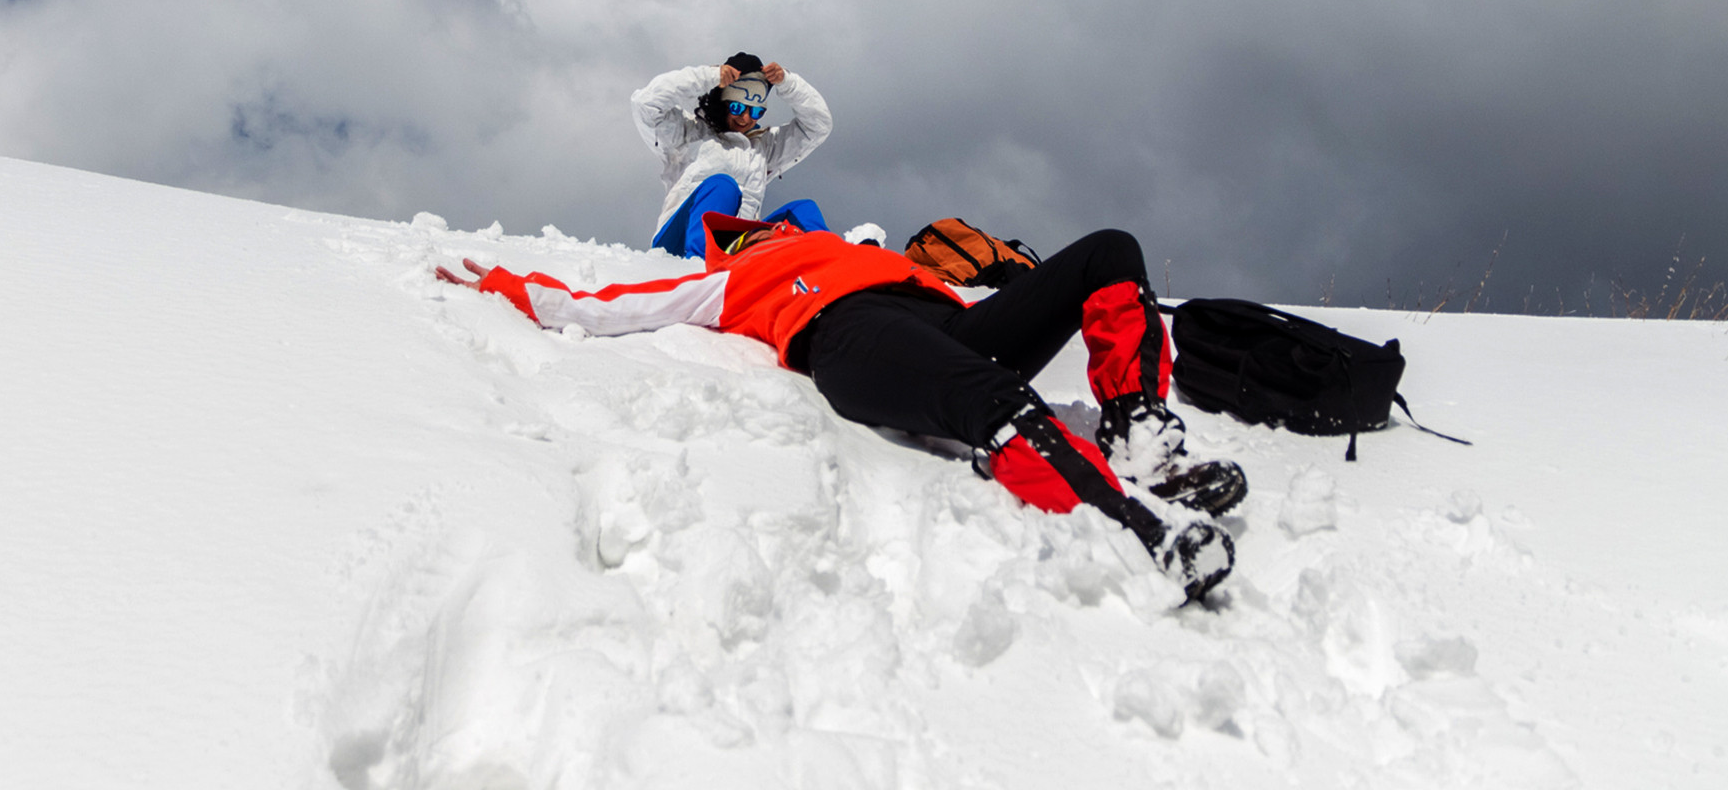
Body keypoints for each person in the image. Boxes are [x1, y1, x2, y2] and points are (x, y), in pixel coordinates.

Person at [436, 215, 1246, 603]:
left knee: (1109, 249)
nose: (775, 229)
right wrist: (509, 287)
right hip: (855, 340)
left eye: (780, 224)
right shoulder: (733, 273)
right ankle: (1135, 523)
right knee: (991, 400)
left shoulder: (868, 252)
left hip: (949, 321)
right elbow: (610, 305)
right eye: (758, 230)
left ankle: (1139, 434)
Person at [632, 52, 834, 258]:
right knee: (723, 186)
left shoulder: (763, 148)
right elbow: (646, 103)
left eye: (755, 112)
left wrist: (788, 84)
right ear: (722, 103)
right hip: (677, 244)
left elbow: (817, 126)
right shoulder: (687, 132)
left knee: (803, 210)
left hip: (736, 247)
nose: (745, 118)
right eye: (737, 108)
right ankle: (699, 265)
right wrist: (710, 76)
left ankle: (831, 266)